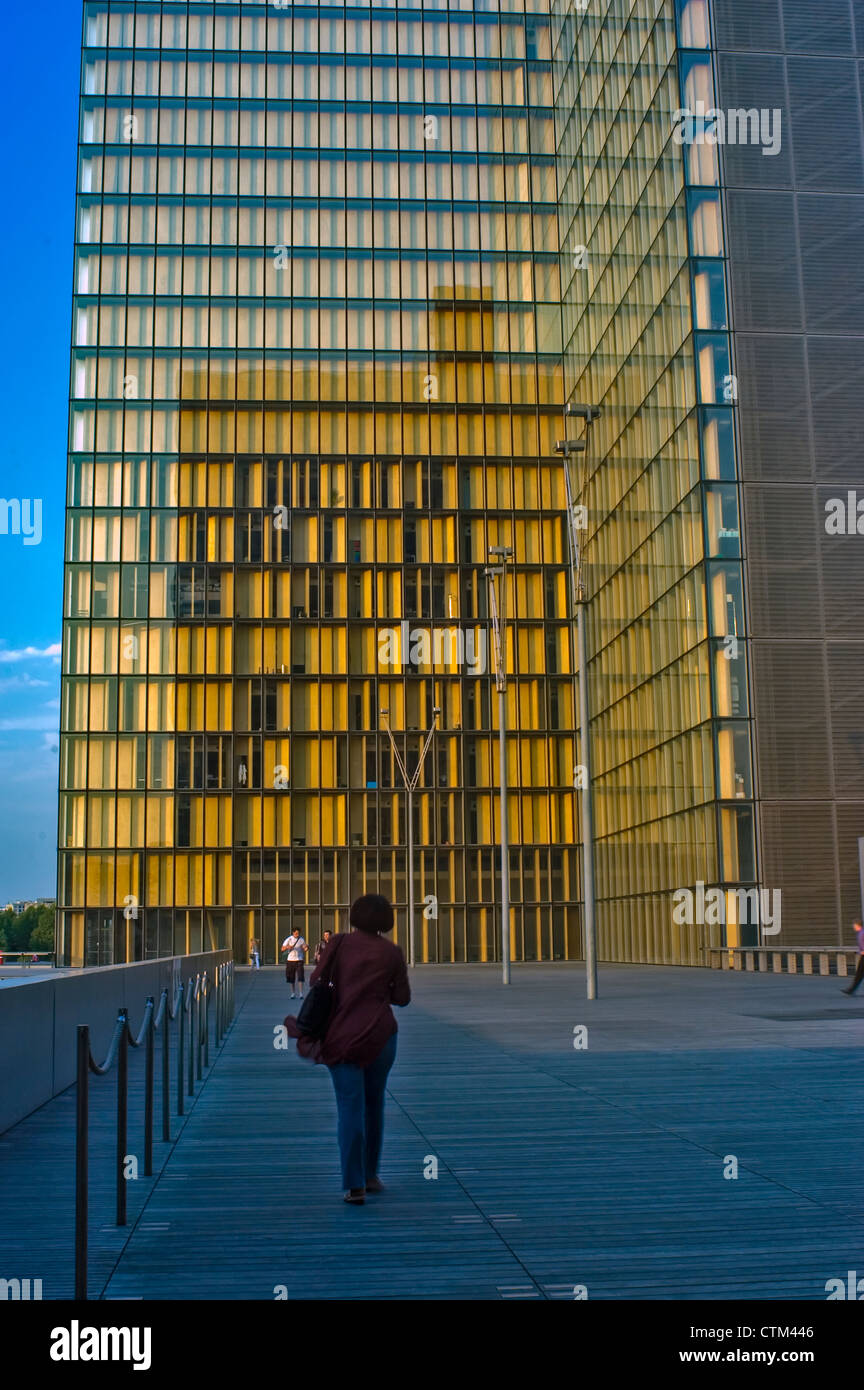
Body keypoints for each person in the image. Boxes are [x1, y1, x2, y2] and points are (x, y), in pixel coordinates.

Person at [285, 894, 410, 1204]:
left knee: (349, 1107)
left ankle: (354, 1185)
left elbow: (316, 979)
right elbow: (403, 997)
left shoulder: (339, 944)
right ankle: (371, 1175)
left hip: (342, 1036)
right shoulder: (392, 953)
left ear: (354, 916)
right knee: (374, 1104)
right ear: (387, 921)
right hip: (381, 1037)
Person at [281, 928, 308, 998]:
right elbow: (282, 949)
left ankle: (301, 993)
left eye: (298, 933)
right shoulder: (289, 939)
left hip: (299, 960)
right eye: (296, 933)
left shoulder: (301, 939)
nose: (297, 934)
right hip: (290, 960)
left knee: (300, 976)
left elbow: (304, 948)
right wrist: (288, 947)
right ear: (293, 933)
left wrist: (306, 948)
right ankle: (293, 993)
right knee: (291, 977)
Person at [841, 919, 864, 995]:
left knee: (859, 973)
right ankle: (851, 990)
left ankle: (851, 990)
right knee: (859, 974)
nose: (853, 926)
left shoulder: (862, 933)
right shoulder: (860, 933)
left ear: (857, 925)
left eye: (854, 925)